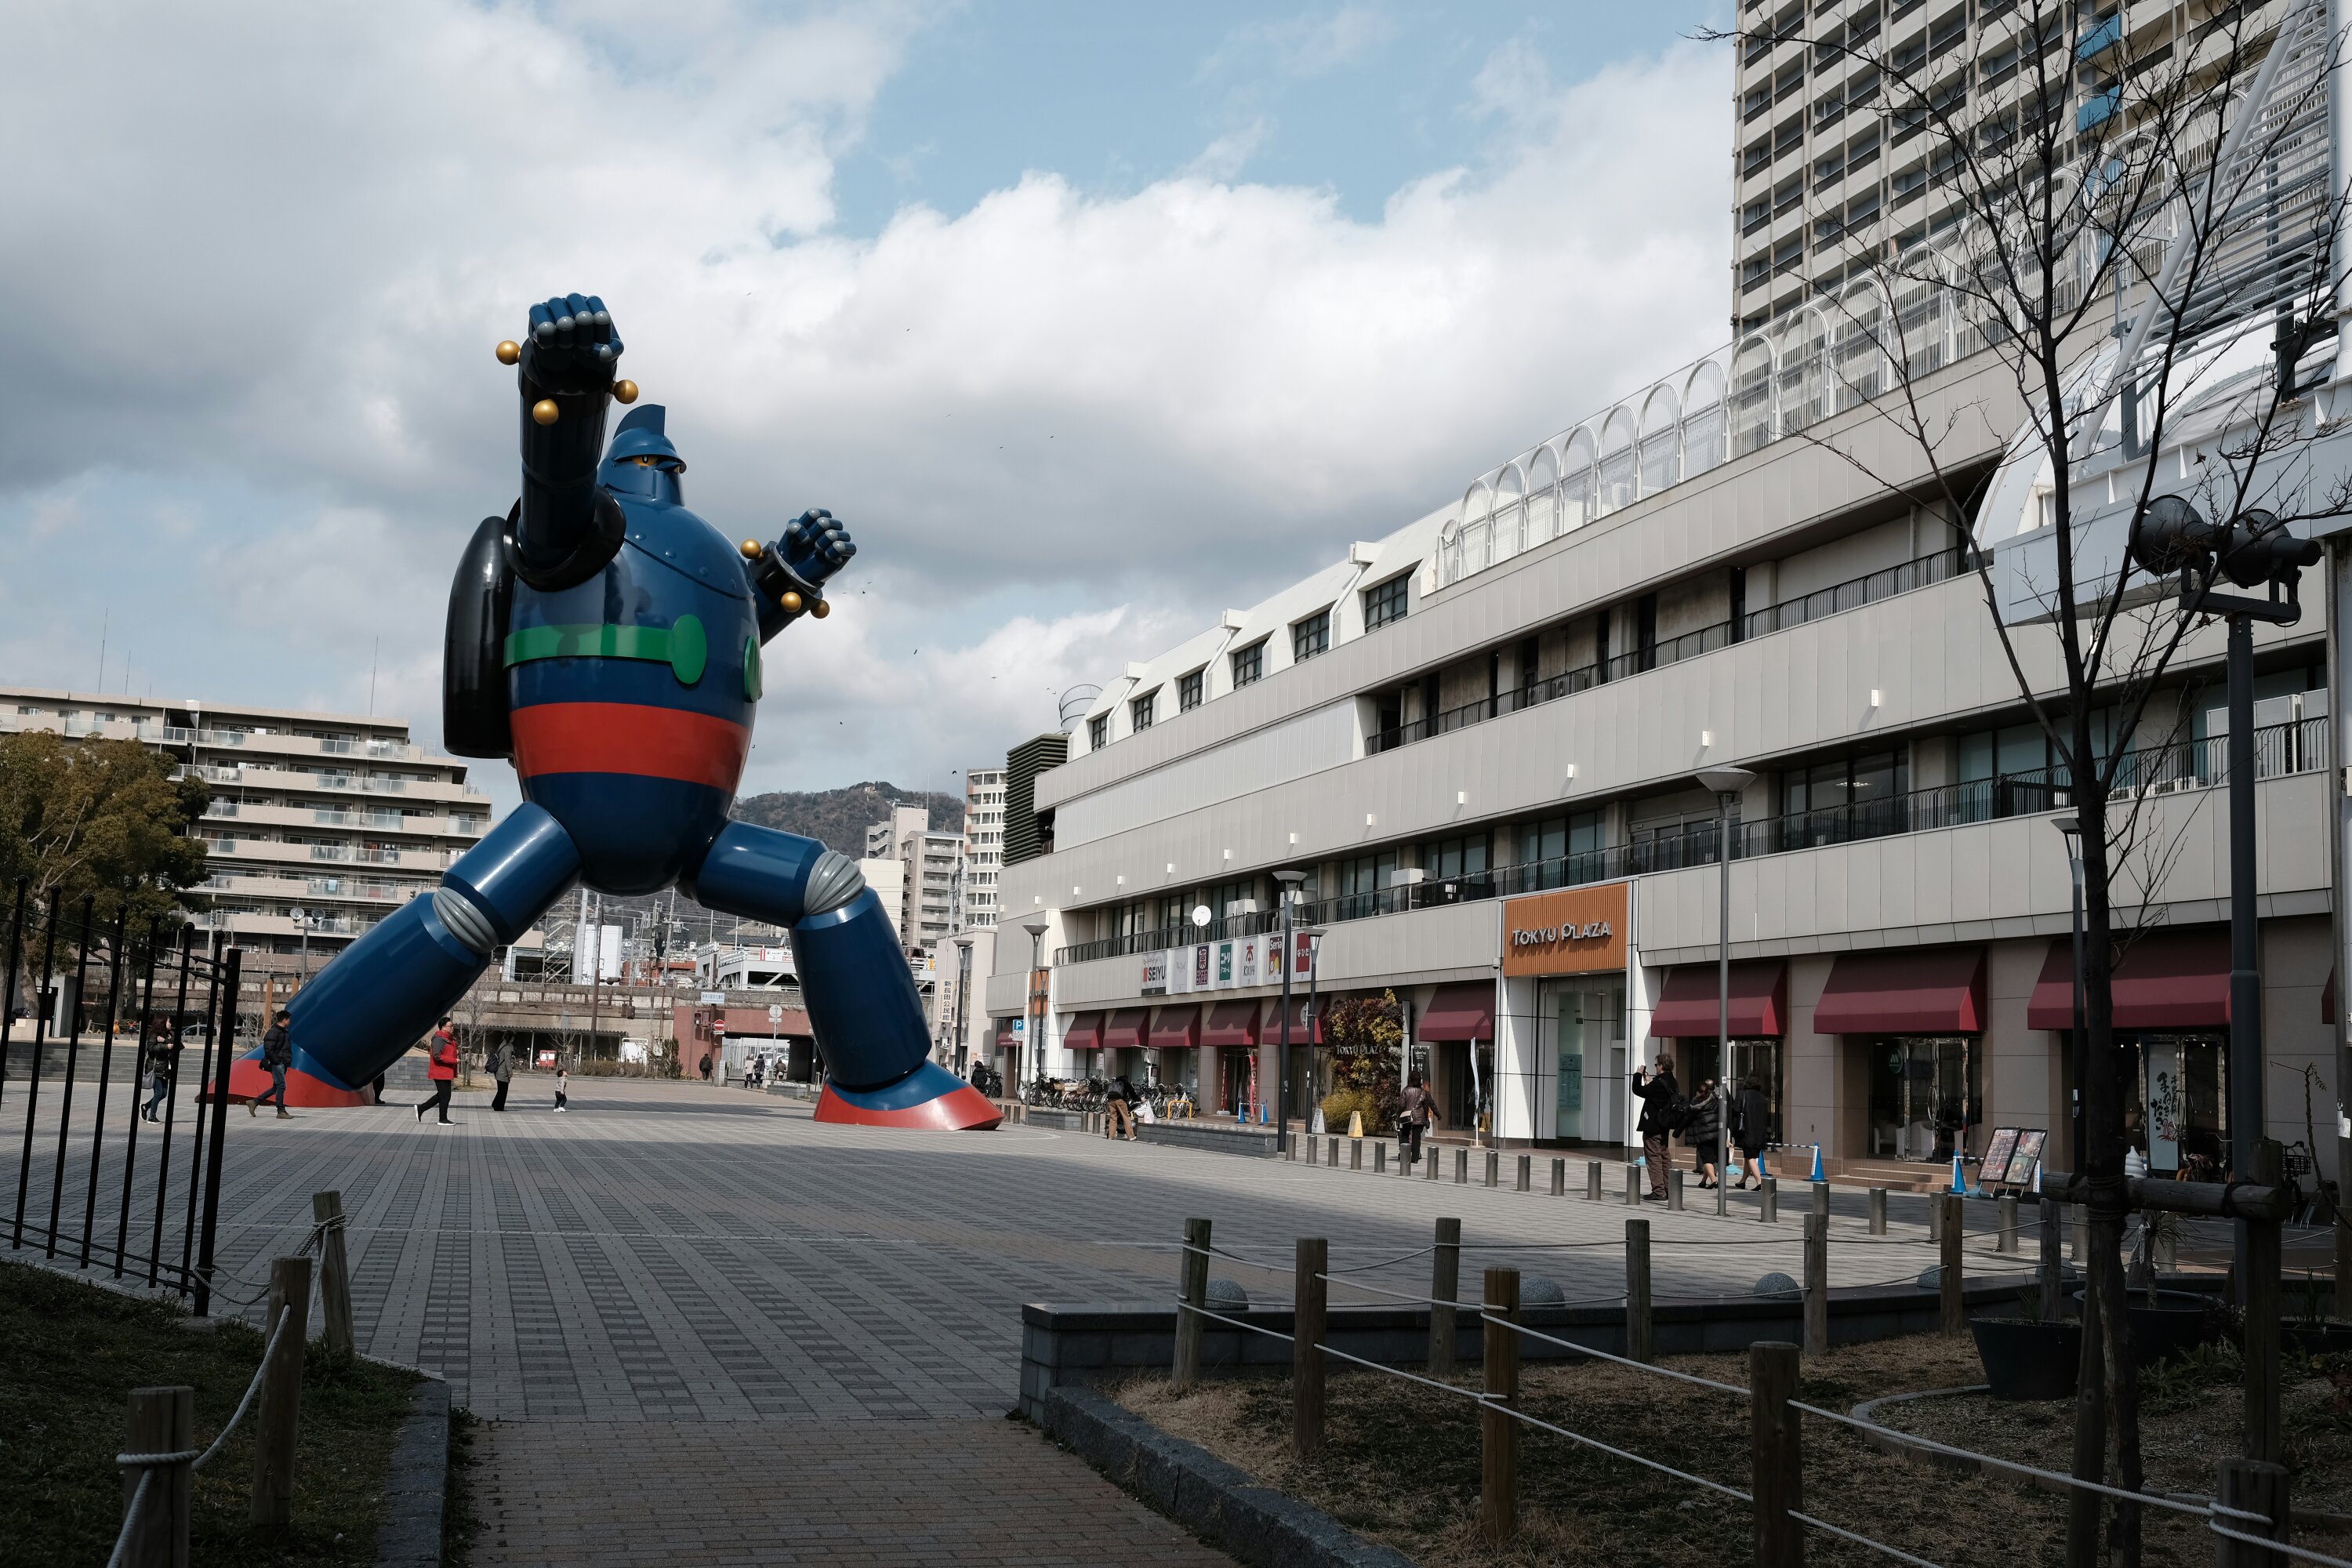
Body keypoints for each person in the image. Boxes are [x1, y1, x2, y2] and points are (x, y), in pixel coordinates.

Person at [1630, 1055, 1679, 1199]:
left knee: (1654, 1158)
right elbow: (1657, 1097)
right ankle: (1670, 1189)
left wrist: (1638, 1073)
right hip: (1665, 1125)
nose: (1655, 1067)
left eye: (1656, 1065)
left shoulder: (1659, 1082)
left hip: (1653, 1126)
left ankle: (1658, 1190)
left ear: (1661, 1066)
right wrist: (1650, 1083)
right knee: (1665, 1157)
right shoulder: (1672, 1081)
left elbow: (1637, 1090)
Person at [252, 1010, 295, 1120]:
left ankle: (255, 1102)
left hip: (283, 1062)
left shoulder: (284, 1032)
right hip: (277, 1063)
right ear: (284, 1020)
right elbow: (268, 1050)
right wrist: (277, 1061)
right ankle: (281, 1111)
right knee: (281, 1086)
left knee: (276, 1087)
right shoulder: (273, 1032)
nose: (290, 1021)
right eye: (289, 1019)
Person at [416, 1018, 458, 1126]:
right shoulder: (439, 1039)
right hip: (440, 1072)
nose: (452, 1028)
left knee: (443, 1095)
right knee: (445, 1096)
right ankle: (442, 1119)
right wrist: (453, 1060)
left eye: (452, 1026)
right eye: (450, 1026)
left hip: (446, 1071)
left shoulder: (449, 1039)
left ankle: (421, 1108)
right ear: (443, 1027)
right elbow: (437, 1056)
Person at [1733, 1073, 1770, 1189]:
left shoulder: (1742, 1094)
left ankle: (1760, 1182)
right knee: (1749, 1156)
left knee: (1750, 1157)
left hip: (1746, 1131)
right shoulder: (1762, 1098)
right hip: (1759, 1132)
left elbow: (1735, 1109)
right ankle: (1742, 1181)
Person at [1686, 1076, 1724, 1189]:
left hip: (1703, 1134)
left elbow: (1689, 1118)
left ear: (1698, 1092)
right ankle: (1703, 1181)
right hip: (1715, 1134)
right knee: (1710, 1158)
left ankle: (1714, 1180)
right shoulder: (1716, 1100)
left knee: (1707, 1159)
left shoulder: (1695, 1102)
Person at [1399, 1073, 1439, 1166]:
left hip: (1407, 1117)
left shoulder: (1406, 1090)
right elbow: (1431, 1104)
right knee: (1416, 1139)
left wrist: (1399, 1114)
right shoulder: (1424, 1092)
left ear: (1410, 1079)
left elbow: (1401, 1105)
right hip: (1419, 1119)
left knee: (1405, 1135)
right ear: (1420, 1080)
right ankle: (1415, 1158)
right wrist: (1438, 1115)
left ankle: (1405, 1155)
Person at [140, 1022, 173, 1122]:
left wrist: (165, 1041)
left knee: (164, 1093)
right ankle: (152, 1117)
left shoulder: (171, 1034)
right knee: (158, 1093)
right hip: (155, 1067)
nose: (170, 1024)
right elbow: (150, 1048)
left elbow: (179, 1046)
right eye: (168, 1021)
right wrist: (165, 1046)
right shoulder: (154, 1034)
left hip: (166, 1068)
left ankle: (145, 1107)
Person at [1105, 1073, 1137, 1142]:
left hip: (1111, 1100)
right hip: (1120, 1101)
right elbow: (1133, 1093)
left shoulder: (1114, 1082)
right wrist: (1140, 1099)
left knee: (1113, 1118)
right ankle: (1131, 1136)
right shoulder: (1125, 1083)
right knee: (1126, 1117)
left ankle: (1111, 1136)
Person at [491, 1044, 514, 1112]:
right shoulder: (507, 1048)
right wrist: (510, 1072)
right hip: (503, 1072)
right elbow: (508, 1061)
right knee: (503, 1091)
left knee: (500, 1090)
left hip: (498, 1070)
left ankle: (495, 1104)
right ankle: (499, 1107)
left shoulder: (501, 1045)